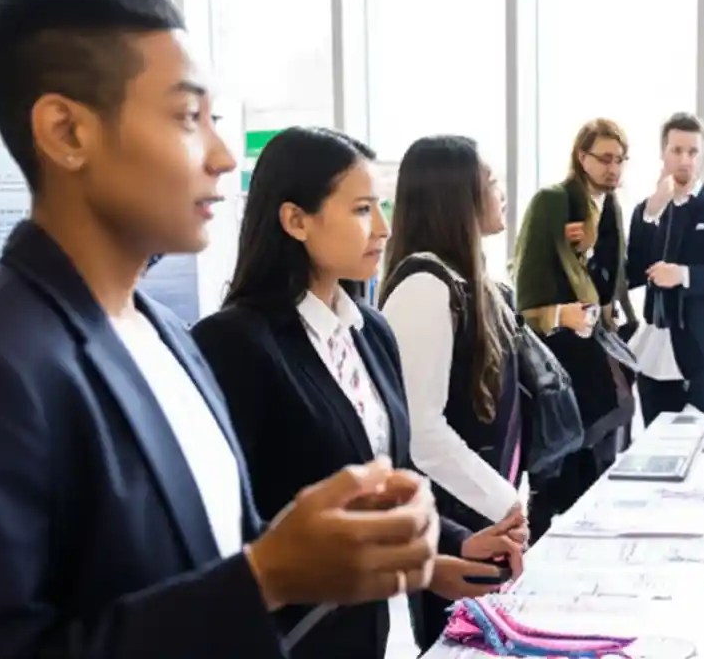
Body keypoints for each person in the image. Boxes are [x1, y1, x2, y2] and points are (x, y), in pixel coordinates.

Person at [0, 0, 439, 659]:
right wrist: (265, 577)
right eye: (187, 118)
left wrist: (325, 545)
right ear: (66, 130)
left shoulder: (166, 334)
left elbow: (211, 555)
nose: (223, 158)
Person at [191, 127, 525, 659]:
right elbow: (232, 528)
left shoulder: (369, 331)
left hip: (390, 630)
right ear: (295, 220)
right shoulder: (234, 344)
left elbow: (389, 477)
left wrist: (452, 544)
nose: (386, 229)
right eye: (363, 210)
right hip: (304, 639)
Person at [377, 135, 526, 650]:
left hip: (480, 512)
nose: (501, 192)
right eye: (489, 182)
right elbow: (421, 429)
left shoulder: (471, 282)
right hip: (455, 523)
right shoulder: (426, 287)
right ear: (455, 197)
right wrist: (504, 500)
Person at [514, 118, 636, 539]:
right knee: (557, 476)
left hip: (596, 354)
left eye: (620, 160)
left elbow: (610, 282)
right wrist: (558, 313)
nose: (613, 169)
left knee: (598, 470)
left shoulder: (612, 208)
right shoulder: (553, 202)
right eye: (604, 159)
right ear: (581, 157)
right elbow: (523, 298)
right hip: (558, 361)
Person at [626, 112, 704, 424]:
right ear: (663, 153)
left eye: (693, 151)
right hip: (655, 351)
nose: (685, 159)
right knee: (657, 448)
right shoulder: (648, 209)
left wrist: (685, 275)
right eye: (676, 150)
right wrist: (650, 213)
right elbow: (632, 273)